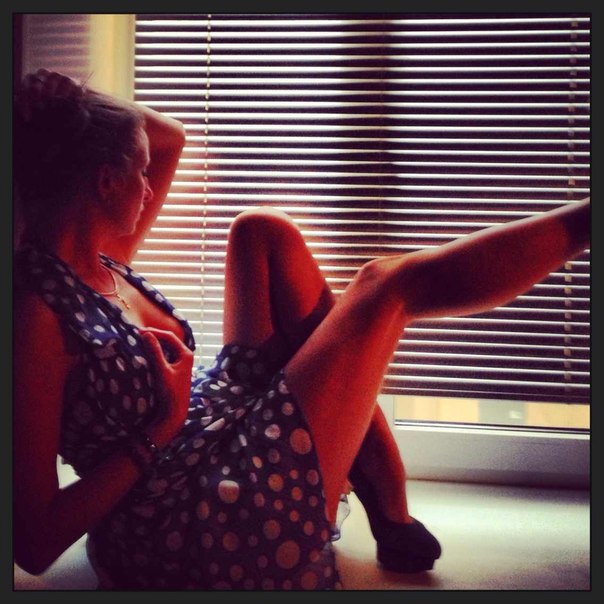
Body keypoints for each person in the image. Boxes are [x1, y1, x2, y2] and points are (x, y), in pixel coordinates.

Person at [13, 69, 591, 591]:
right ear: (105, 182)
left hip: (205, 432)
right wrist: (158, 430)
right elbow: (33, 545)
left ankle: (383, 499)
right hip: (189, 518)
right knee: (386, 285)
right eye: (140, 174)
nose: (150, 187)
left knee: (260, 230)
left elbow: (168, 136)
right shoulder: (37, 315)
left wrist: (71, 101)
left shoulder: (96, 256)